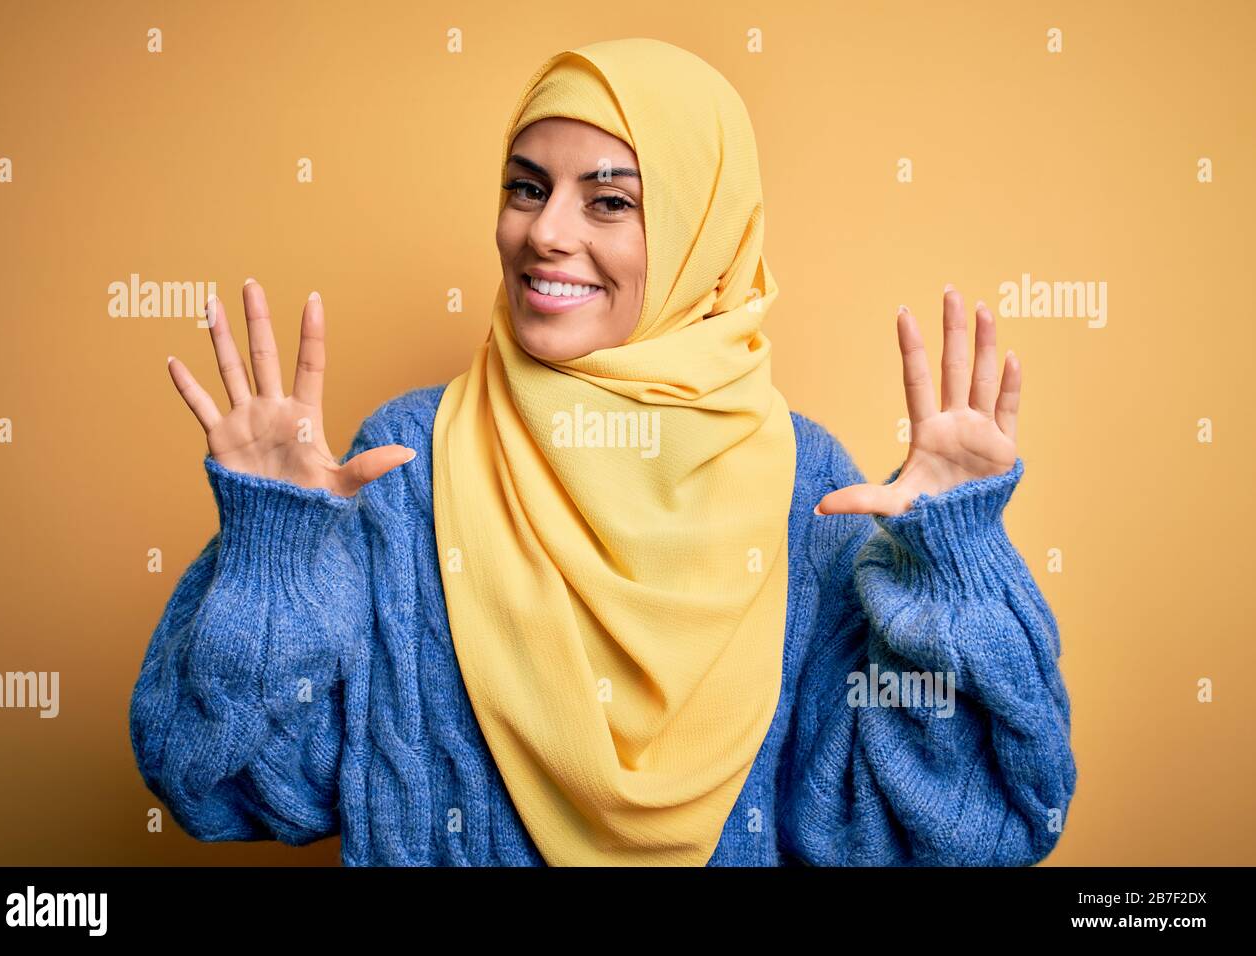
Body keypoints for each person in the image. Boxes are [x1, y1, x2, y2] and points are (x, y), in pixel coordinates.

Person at [130, 37, 1076, 866]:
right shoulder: (405, 461)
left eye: (610, 201)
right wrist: (270, 559)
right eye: (526, 189)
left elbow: (956, 834)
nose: (546, 233)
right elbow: (238, 796)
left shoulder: (807, 488)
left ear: (704, 234)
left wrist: (959, 575)